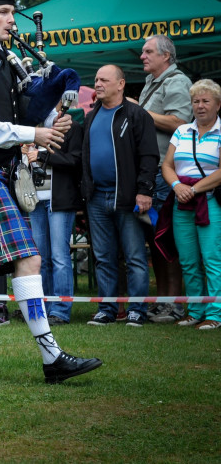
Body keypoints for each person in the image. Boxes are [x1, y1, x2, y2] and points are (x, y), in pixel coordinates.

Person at [0, 0, 101, 382]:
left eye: (13, 13)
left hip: (5, 170)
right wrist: (31, 133)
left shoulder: (8, 63)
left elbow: (26, 112)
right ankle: (52, 357)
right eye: (5, 12)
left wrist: (50, 122)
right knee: (28, 258)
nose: (13, 20)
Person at [81, 64, 159, 327]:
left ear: (121, 84)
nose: (98, 84)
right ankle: (108, 309)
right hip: (97, 198)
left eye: (104, 79)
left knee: (135, 256)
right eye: (96, 79)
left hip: (128, 198)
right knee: (103, 257)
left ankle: (137, 310)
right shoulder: (90, 116)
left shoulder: (137, 115)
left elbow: (149, 155)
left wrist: (144, 190)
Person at [132, 34, 193, 323]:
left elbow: (180, 122)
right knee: (155, 241)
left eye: (147, 52)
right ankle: (164, 302)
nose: (142, 56)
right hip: (150, 172)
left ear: (165, 56)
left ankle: (175, 305)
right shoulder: (151, 83)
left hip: (165, 173)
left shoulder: (177, 82)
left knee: (167, 239)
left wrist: (138, 109)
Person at [160, 79, 221, 329]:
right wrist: (177, 186)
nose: (200, 106)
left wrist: (193, 189)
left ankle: (215, 313)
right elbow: (167, 165)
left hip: (208, 201)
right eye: (196, 101)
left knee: (212, 258)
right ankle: (195, 310)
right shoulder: (181, 130)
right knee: (188, 260)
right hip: (181, 202)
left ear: (217, 104)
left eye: (206, 101)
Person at [25, 104, 84, 325]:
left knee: (60, 257)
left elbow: (75, 161)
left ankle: (60, 310)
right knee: (41, 259)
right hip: (35, 200)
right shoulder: (29, 127)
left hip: (60, 199)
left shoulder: (72, 127)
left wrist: (42, 156)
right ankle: (45, 308)